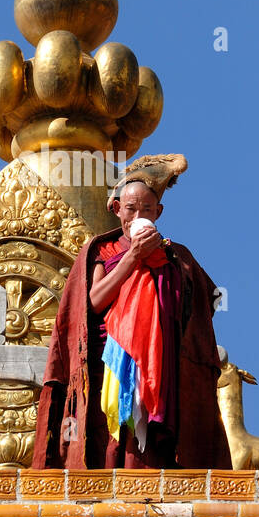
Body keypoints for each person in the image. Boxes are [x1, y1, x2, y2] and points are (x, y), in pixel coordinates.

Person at [31, 153, 231, 469]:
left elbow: (210, 299)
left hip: (162, 370)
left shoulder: (175, 256)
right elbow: (94, 300)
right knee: (112, 441)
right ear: (115, 209)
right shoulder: (102, 250)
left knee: (154, 449)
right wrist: (134, 256)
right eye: (130, 209)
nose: (138, 215)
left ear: (159, 212)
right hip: (111, 363)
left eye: (147, 210)